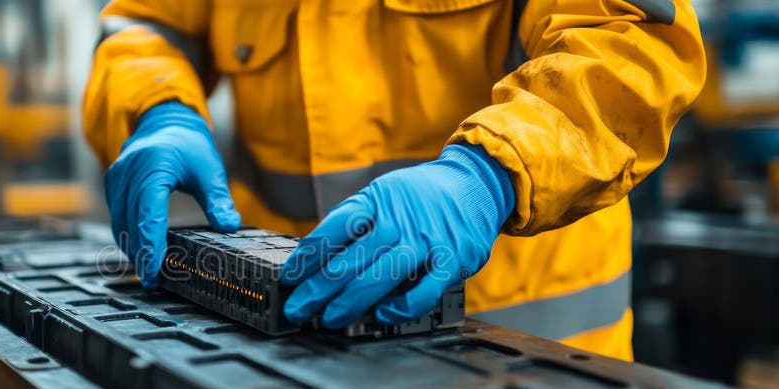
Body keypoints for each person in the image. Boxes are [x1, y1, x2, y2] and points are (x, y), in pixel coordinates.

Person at [82, 0, 706, 361]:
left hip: (537, 380)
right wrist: (157, 110)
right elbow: (147, 26)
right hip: (293, 355)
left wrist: (486, 177)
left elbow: (634, 44)